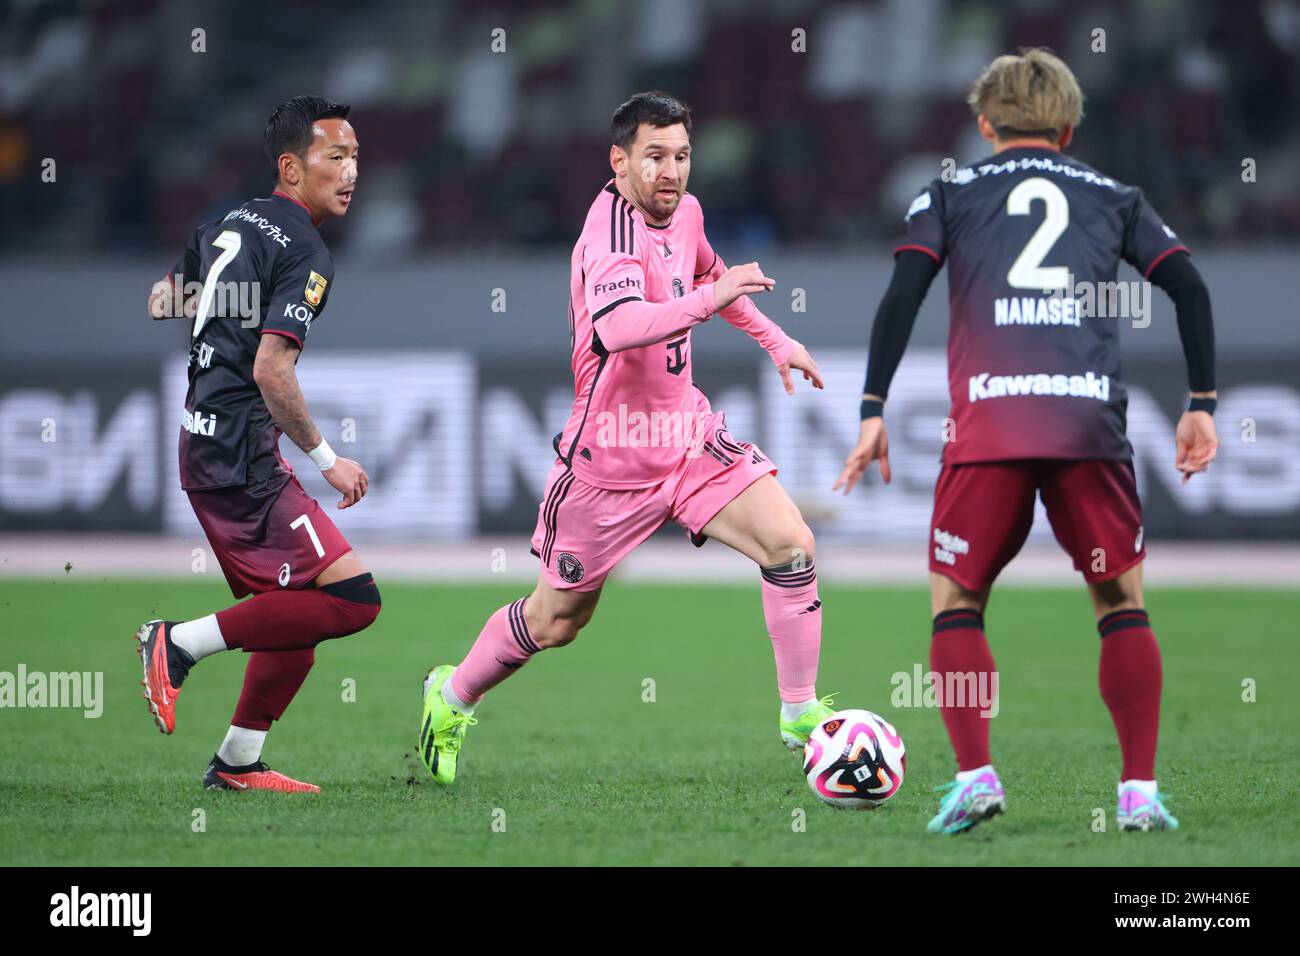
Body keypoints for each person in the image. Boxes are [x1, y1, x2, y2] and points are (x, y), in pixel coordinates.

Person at [835, 49, 1218, 833]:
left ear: (983, 125)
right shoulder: (1115, 195)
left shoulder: (948, 191)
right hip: (1087, 424)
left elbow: (903, 291)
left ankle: (976, 775)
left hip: (990, 425)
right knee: (1119, 600)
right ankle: (1138, 794)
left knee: (958, 600)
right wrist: (1202, 402)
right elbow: (1188, 283)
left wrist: (872, 405)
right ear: (1069, 130)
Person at [417, 91, 829, 785]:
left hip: (685, 436)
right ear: (620, 160)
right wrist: (712, 299)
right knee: (556, 622)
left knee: (791, 545)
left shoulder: (688, 213)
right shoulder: (609, 229)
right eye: (655, 157)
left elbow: (712, 277)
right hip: (608, 458)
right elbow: (620, 326)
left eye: (682, 156)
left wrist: (776, 339)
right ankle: (451, 697)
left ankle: (799, 711)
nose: (671, 172)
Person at [138, 95, 380, 793]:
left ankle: (237, 763)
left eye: (356, 156)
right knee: (355, 600)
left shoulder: (222, 221)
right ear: (292, 167)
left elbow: (164, 301)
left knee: (292, 619)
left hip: (201, 445)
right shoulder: (305, 248)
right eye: (335, 156)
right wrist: (330, 463)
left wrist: (220, 309)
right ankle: (177, 643)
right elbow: (272, 368)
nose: (351, 170)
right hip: (243, 455)